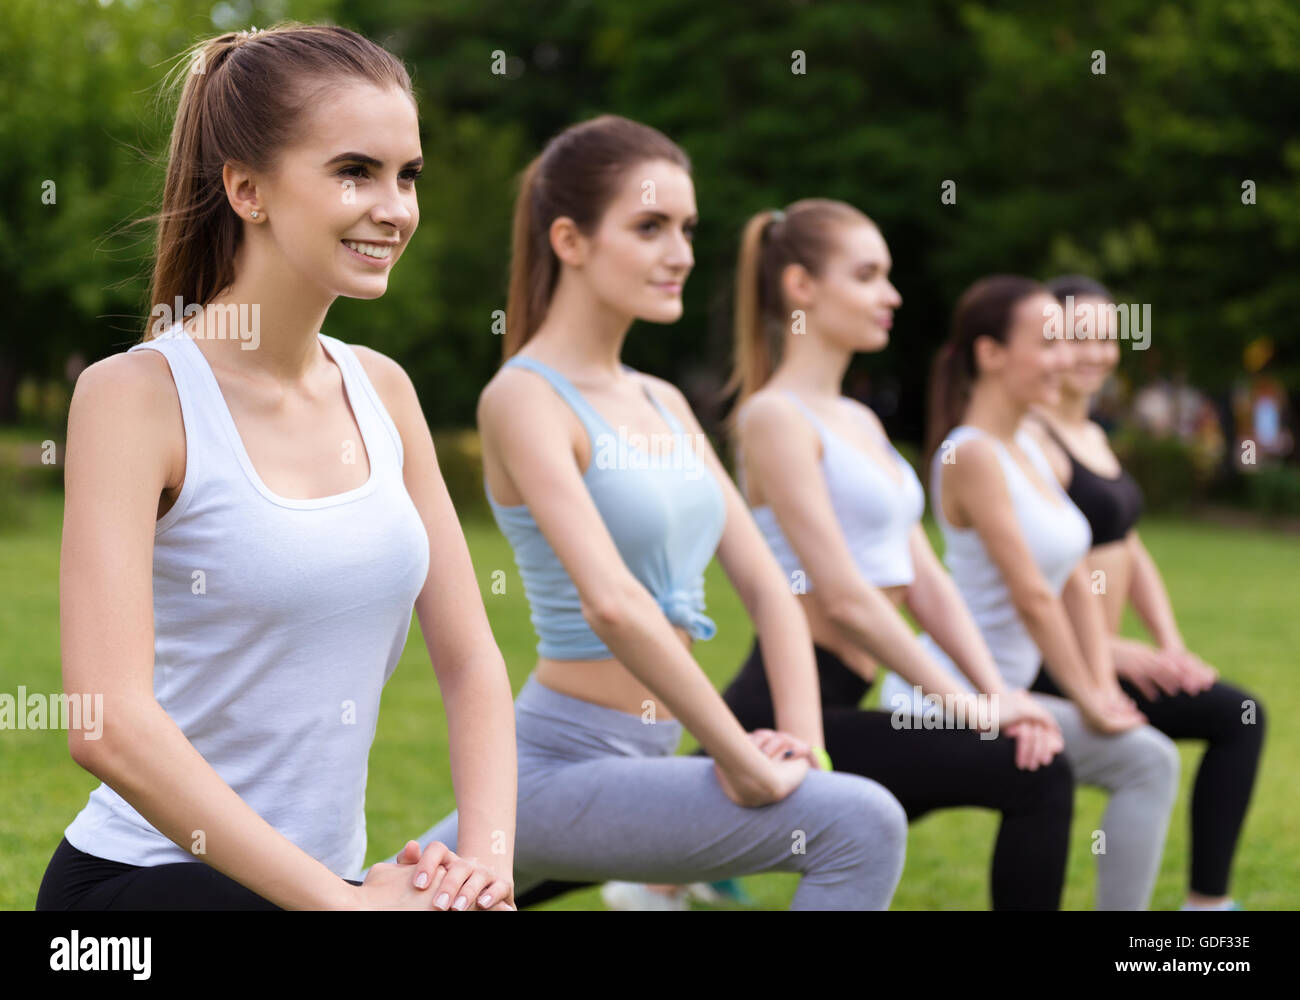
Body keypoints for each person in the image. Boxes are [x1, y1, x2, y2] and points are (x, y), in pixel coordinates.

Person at [36, 24, 516, 911]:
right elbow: (107, 726)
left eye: (407, 175)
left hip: (310, 889)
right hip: (137, 892)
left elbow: (472, 659)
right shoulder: (134, 398)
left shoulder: (384, 390)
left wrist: (486, 863)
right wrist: (340, 906)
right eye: (354, 172)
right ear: (247, 190)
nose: (395, 207)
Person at [387, 116, 908, 911]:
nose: (682, 254)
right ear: (570, 239)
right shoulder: (523, 399)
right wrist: (736, 756)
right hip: (553, 765)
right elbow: (614, 604)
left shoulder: (663, 401)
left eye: (688, 229)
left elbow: (771, 588)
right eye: (651, 227)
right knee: (863, 825)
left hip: (638, 761)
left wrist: (803, 742)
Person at [610, 201, 1075, 911]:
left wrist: (993, 692)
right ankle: (643, 875)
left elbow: (923, 579)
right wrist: (967, 704)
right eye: (867, 275)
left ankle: (661, 878)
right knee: (569, 849)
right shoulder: (773, 417)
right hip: (785, 700)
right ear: (801, 288)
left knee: (619, 848)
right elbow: (845, 596)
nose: (890, 295)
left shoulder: (858, 418)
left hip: (838, 699)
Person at [880, 275, 1181, 910]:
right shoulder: (973, 455)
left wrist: (1099, 687)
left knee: (1146, 760)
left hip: (1005, 695)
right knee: (1133, 763)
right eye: (1048, 343)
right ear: (990, 355)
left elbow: (1072, 575)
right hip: (941, 700)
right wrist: (1089, 699)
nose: (1066, 360)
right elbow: (1032, 597)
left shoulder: (1028, 449)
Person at [1024, 274, 1266, 911]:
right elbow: (1037, 580)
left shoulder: (1095, 437)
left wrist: (1170, 645)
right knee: (1177, 746)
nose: (1096, 354)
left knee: (1238, 717)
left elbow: (1131, 549)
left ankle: (1207, 906)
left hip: (1108, 656)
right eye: (1078, 338)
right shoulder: (1029, 444)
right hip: (1056, 665)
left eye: (1106, 339)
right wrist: (1106, 650)